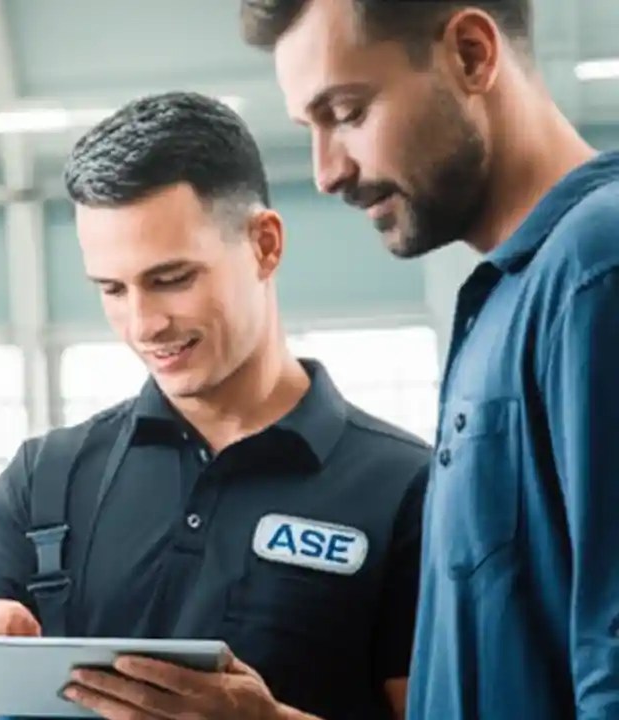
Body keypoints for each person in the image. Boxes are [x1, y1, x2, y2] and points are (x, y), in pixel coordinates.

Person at [0, 91, 431, 720]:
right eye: (113, 289)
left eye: (171, 279)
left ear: (264, 245)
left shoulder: (407, 490)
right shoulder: (47, 477)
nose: (144, 324)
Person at [240, 0, 619, 717]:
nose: (326, 172)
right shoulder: (508, 297)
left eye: (347, 113)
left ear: (471, 55)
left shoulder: (596, 271)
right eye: (309, 128)